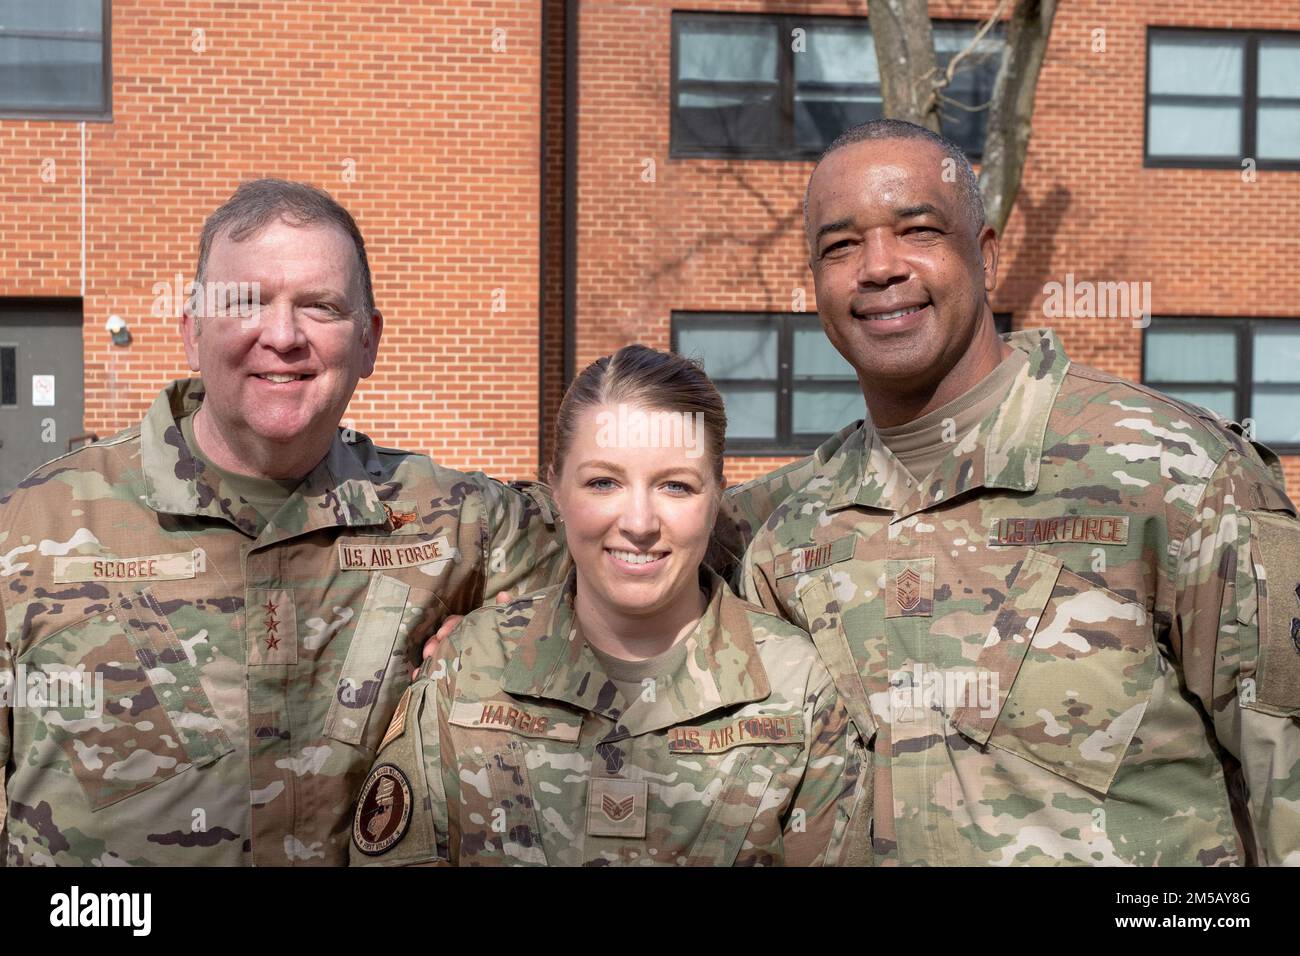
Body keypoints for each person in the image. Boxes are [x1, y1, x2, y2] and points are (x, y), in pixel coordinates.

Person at [743, 119, 1300, 866]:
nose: (878, 266)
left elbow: (1286, 769)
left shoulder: (1177, 472)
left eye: (918, 229)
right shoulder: (787, 538)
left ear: (986, 255)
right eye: (840, 246)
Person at [0, 179, 566, 866]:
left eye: (320, 307)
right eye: (245, 302)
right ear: (191, 332)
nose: (283, 336)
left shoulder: (457, 525)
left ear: (368, 342)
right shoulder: (32, 529)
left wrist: (490, 646)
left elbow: (659, 539)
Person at [350, 346, 870, 866]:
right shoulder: (469, 666)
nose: (639, 522)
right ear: (555, 489)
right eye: (604, 482)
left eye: (675, 485)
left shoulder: (798, 688)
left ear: (716, 497)